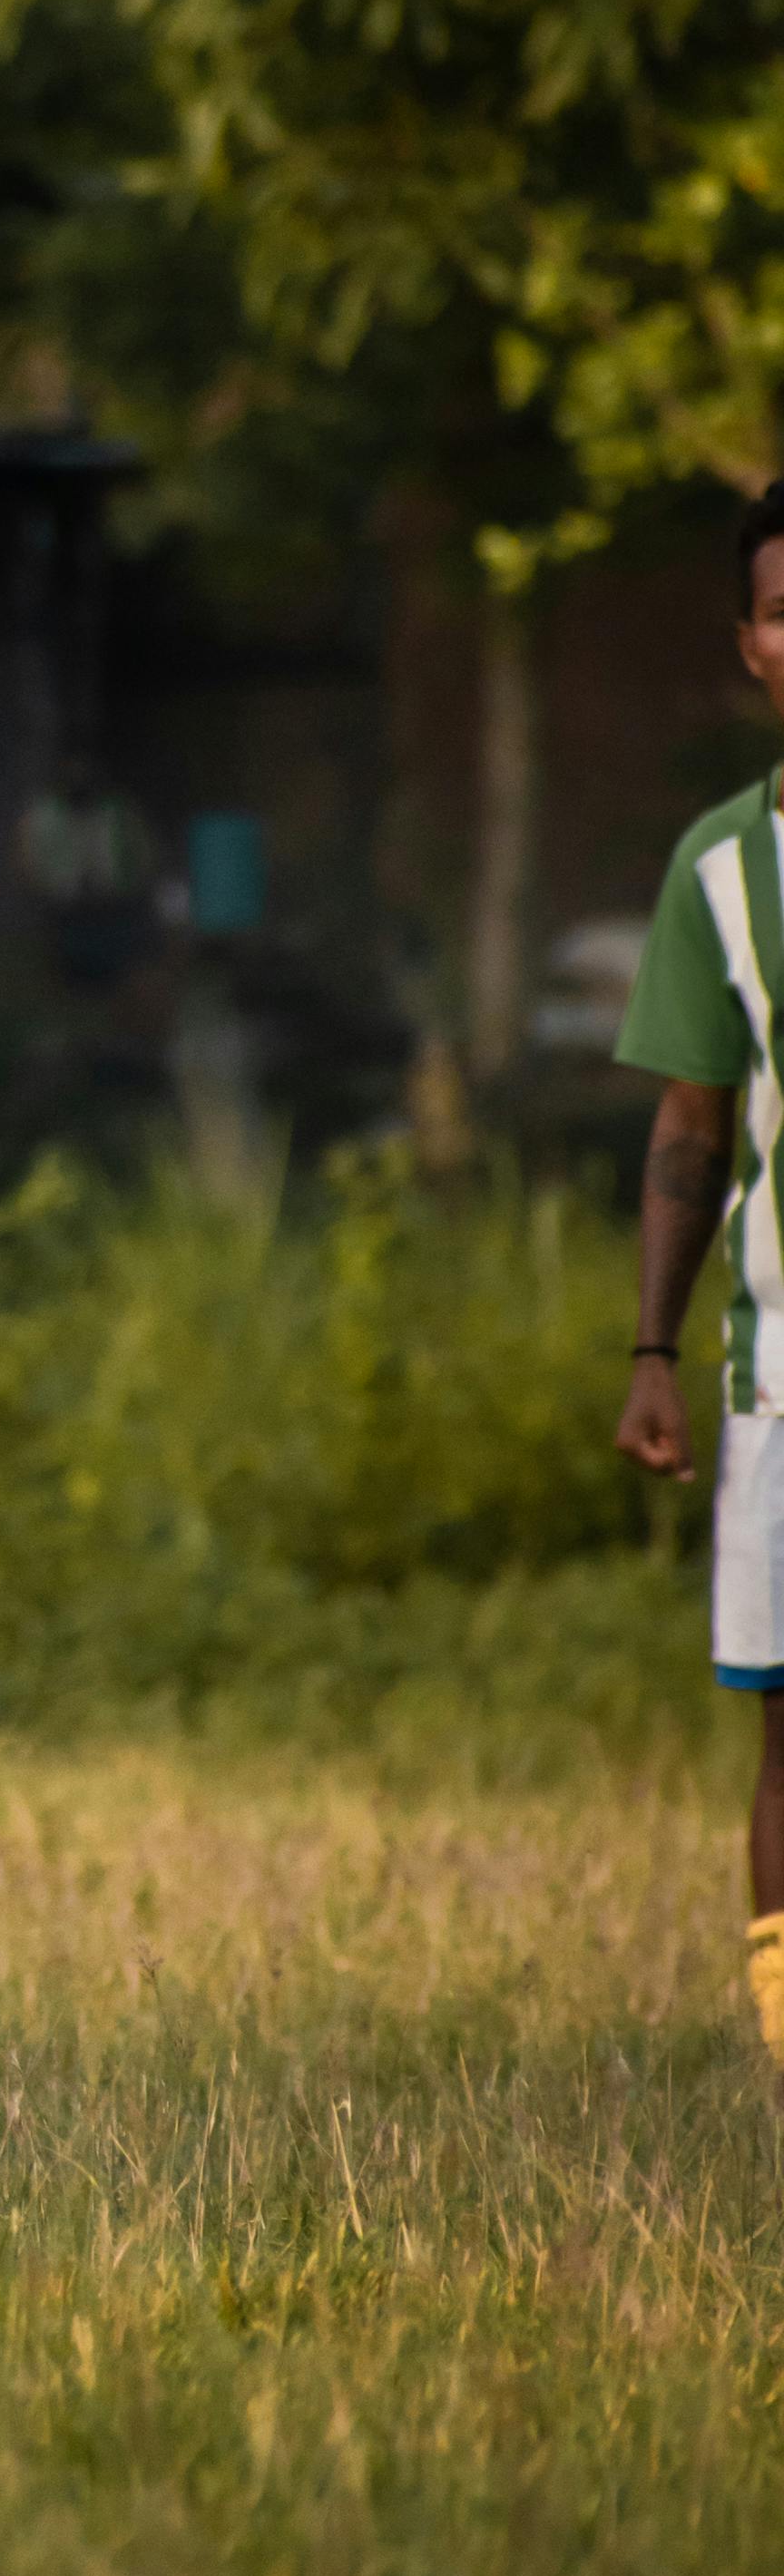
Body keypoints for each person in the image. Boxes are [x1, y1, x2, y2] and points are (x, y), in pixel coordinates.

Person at [612, 478, 784, 2059]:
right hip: (782, 1383)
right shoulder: (727, 869)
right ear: (752, 645)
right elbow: (691, 1124)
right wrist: (655, 1352)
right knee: (782, 1736)